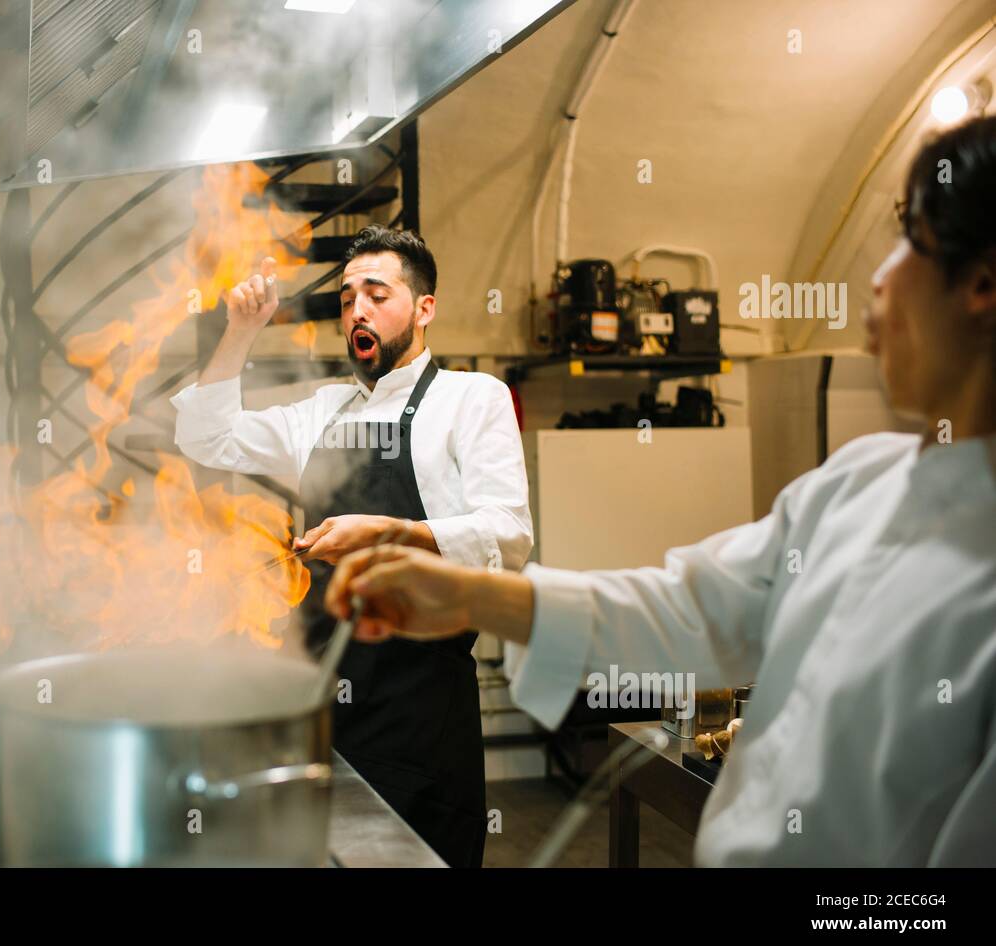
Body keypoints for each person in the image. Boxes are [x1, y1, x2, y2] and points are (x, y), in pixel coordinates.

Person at [325, 114, 996, 866]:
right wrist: (472, 597)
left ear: (981, 285)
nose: (878, 273)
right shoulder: (859, 481)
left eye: (910, 234)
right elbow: (690, 607)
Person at [171, 225, 533, 867]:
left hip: (422, 704)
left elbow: (509, 536)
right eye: (345, 299)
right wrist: (243, 331)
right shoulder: (322, 411)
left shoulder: (471, 400)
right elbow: (205, 438)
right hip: (323, 700)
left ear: (425, 308)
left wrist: (388, 533)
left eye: (376, 293)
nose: (356, 310)